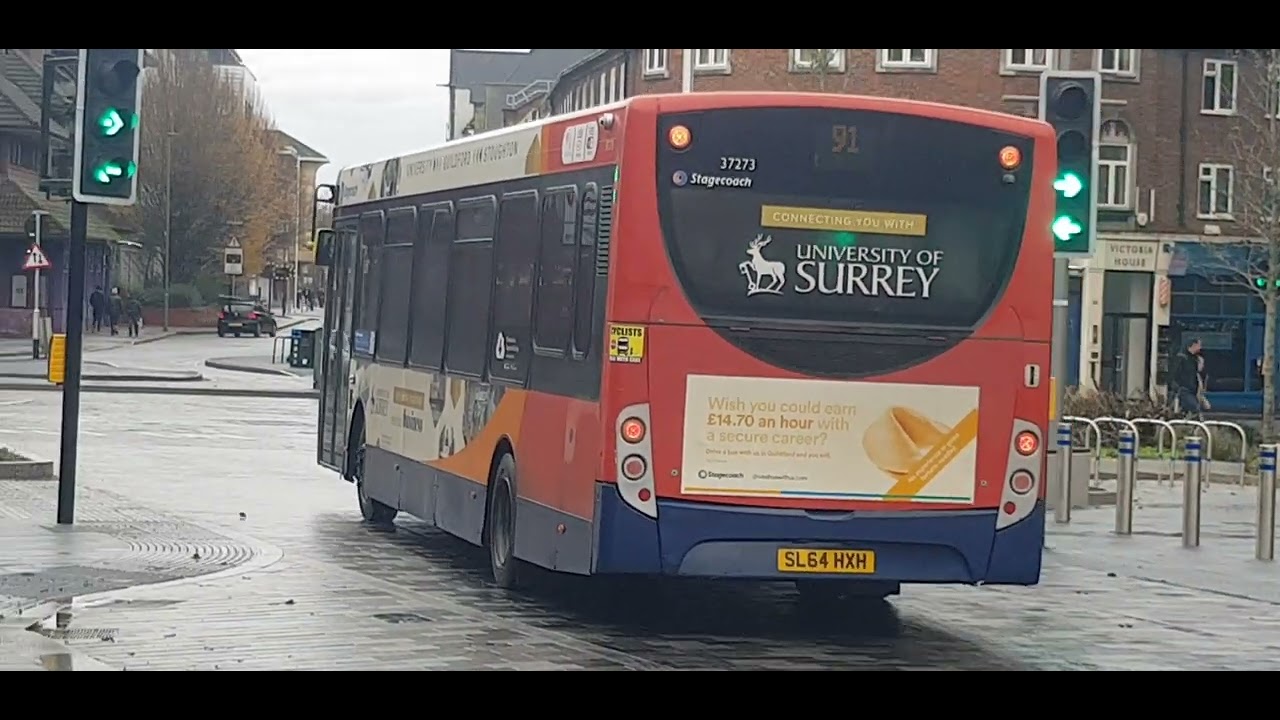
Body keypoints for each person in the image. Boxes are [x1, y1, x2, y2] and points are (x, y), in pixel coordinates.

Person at [1169, 337, 1204, 419]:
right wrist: (1177, 388)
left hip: (1192, 391)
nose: (1200, 348)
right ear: (1193, 345)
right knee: (1195, 409)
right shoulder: (1181, 358)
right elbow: (1173, 373)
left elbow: (1196, 373)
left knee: (1188, 412)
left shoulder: (1194, 359)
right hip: (1184, 390)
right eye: (1199, 345)